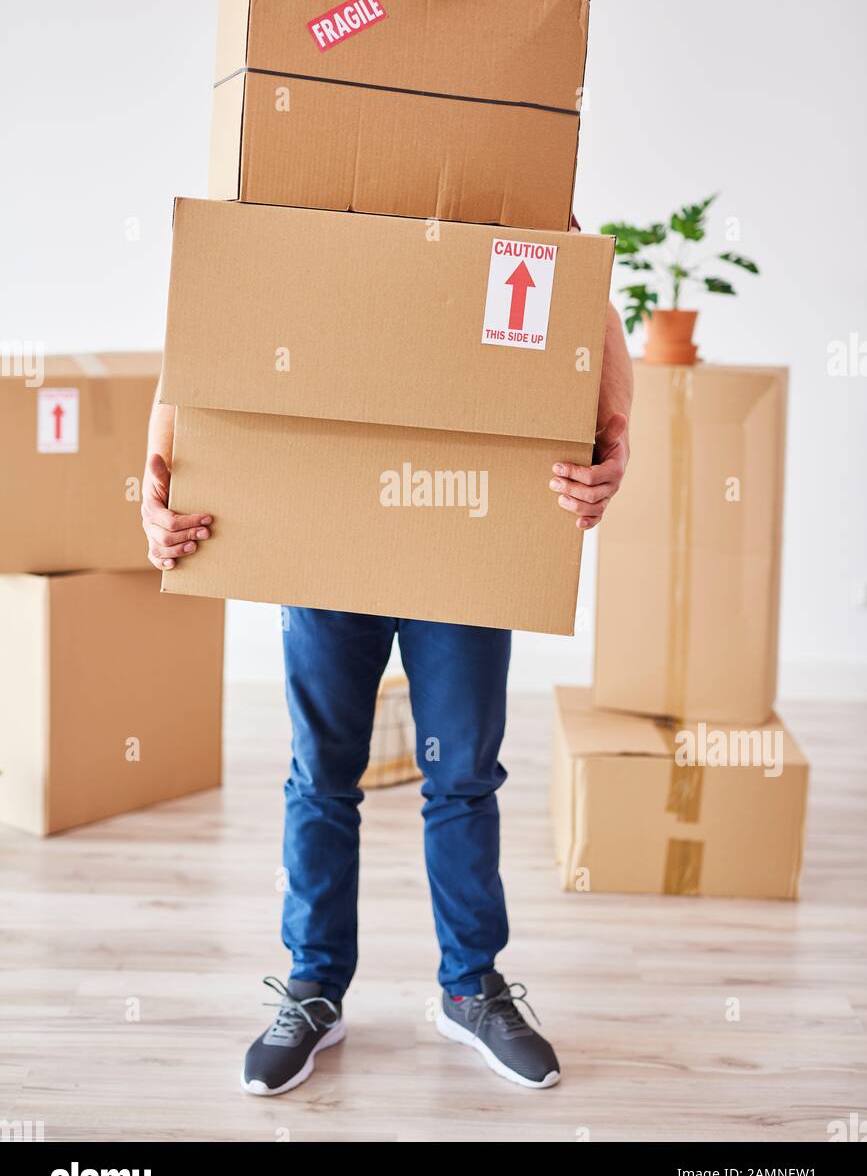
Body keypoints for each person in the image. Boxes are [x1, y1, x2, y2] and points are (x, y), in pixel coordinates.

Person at [141, 282, 633, 1095]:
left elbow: (589, 302)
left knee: (462, 773)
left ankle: (470, 989)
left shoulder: (500, 195)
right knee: (321, 771)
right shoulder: (291, 201)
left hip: (468, 528)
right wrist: (156, 477)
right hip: (323, 526)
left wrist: (616, 436)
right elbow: (207, 316)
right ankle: (313, 987)